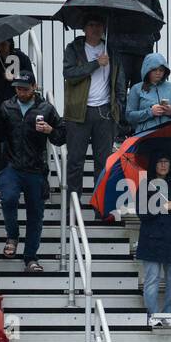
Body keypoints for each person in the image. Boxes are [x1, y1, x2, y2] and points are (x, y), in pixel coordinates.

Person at [0, 70, 65, 273]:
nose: (21, 92)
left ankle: (31, 257)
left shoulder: (47, 108)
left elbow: (62, 136)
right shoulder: (7, 107)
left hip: (36, 169)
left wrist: (51, 130)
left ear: (34, 87)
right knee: (8, 199)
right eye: (17, 88)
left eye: (25, 88)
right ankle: (12, 235)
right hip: (11, 165)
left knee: (36, 215)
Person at [61, 15, 118, 211]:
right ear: (84, 28)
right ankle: (72, 207)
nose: (95, 28)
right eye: (91, 24)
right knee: (75, 161)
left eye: (99, 24)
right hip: (78, 112)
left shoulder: (111, 48)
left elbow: (118, 80)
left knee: (102, 164)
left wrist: (118, 109)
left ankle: (100, 207)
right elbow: (70, 74)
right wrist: (95, 64)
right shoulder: (74, 48)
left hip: (104, 112)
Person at [104, 0, 164, 125]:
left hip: (143, 49)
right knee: (120, 89)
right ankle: (120, 127)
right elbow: (104, 13)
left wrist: (152, 33)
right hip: (120, 49)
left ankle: (137, 125)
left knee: (140, 89)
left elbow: (158, 16)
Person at [128, 153, 171, 324]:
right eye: (159, 161)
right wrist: (162, 205)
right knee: (152, 278)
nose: (163, 164)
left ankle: (170, 314)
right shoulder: (145, 186)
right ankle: (152, 315)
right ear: (154, 164)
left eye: (166, 161)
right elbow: (143, 214)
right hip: (152, 239)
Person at [125, 52, 171, 136]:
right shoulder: (136, 89)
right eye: (154, 69)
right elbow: (129, 116)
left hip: (169, 136)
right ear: (147, 70)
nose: (158, 73)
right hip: (144, 137)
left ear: (165, 71)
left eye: (161, 70)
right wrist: (150, 112)